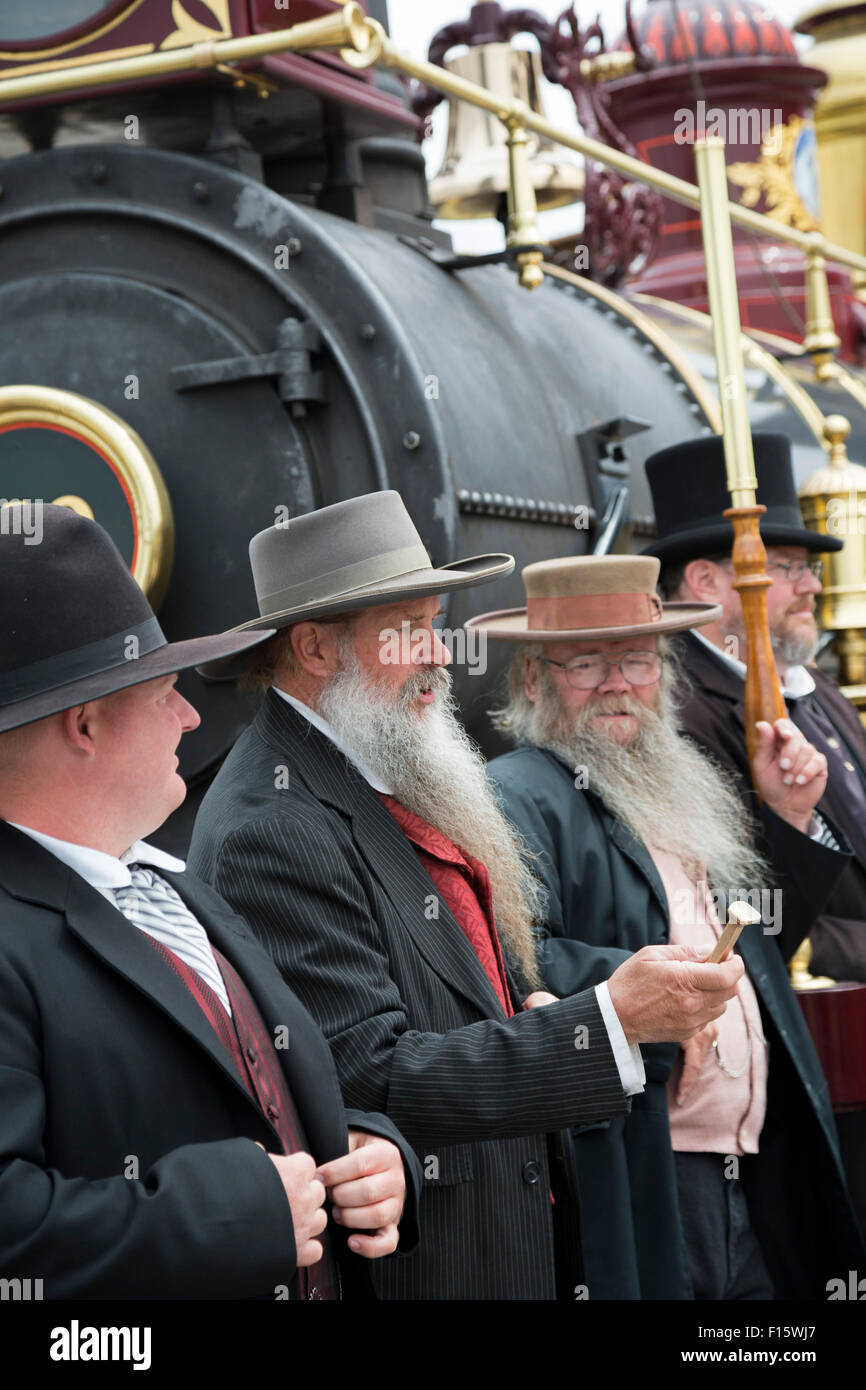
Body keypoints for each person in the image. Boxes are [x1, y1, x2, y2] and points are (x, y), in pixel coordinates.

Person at [189, 489, 745, 1301]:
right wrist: (607, 1023)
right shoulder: (273, 823)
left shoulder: (374, 760)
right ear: (314, 647)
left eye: (436, 623)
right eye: (409, 630)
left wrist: (541, 1003)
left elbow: (462, 988)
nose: (439, 654)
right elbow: (372, 1077)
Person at [0, 503, 421, 1300]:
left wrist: (370, 1154)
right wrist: (237, 1212)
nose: (191, 716)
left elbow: (262, 1092)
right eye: (164, 691)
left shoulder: (172, 885)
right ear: (85, 726)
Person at [475, 553, 864, 1300]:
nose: (617, 683)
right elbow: (509, 964)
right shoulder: (515, 794)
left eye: (638, 660)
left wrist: (788, 818)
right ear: (532, 678)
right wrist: (651, 988)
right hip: (648, 1161)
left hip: (749, 1161)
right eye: (586, 663)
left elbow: (760, 955)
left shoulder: (682, 778)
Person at [644, 432, 866, 986]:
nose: (812, 586)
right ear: (705, 581)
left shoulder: (811, 683)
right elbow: (751, 918)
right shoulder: (677, 717)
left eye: (809, 567)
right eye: (788, 567)